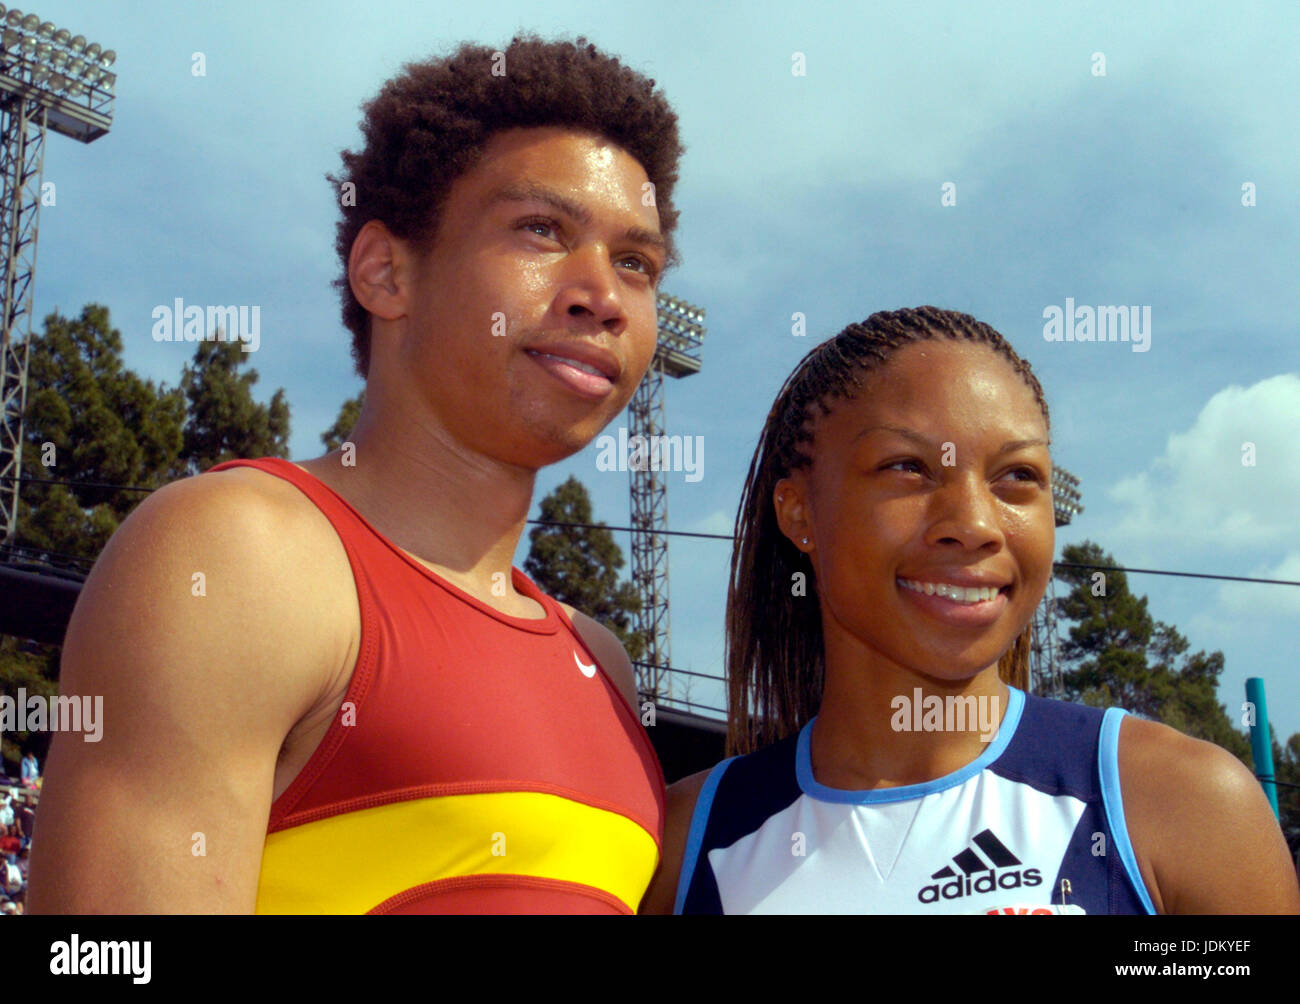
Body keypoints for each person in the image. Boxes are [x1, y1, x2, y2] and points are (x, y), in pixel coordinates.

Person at [29, 34, 684, 914]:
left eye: (635, 263)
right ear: (386, 270)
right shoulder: (238, 556)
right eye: (542, 230)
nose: (601, 293)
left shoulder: (600, 661)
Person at [643, 306, 1300, 915]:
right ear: (798, 512)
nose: (976, 524)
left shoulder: (1182, 805)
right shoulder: (679, 846)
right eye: (906, 467)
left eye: (1017, 476)